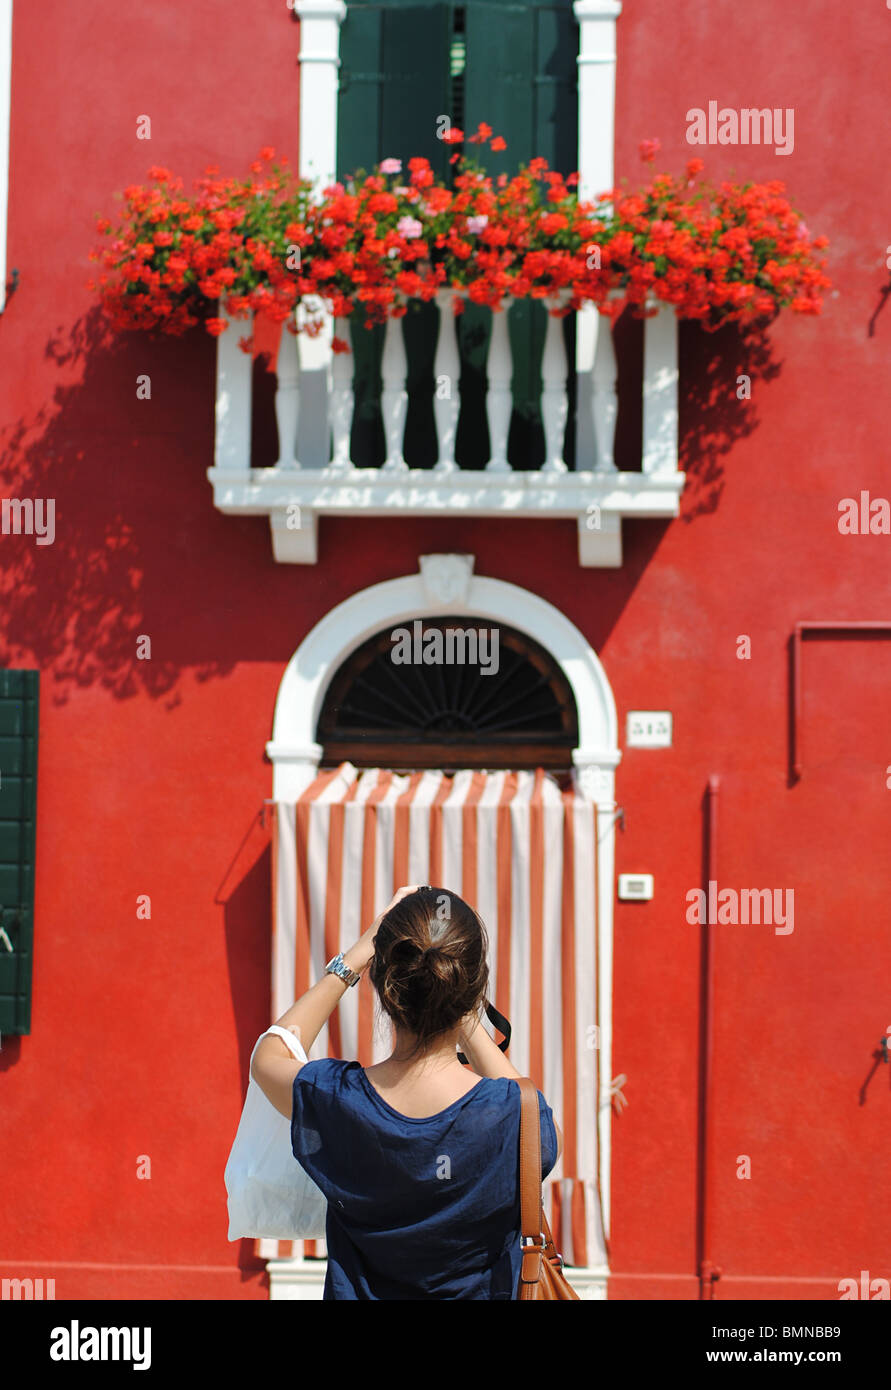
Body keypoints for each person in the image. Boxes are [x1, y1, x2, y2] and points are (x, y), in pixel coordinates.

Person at [250, 884, 563, 1300]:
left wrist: (358, 954)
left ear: (382, 982)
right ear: (473, 989)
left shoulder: (338, 1098)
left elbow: (269, 1055)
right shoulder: (514, 1115)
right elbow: (521, 1097)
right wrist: (462, 1014)